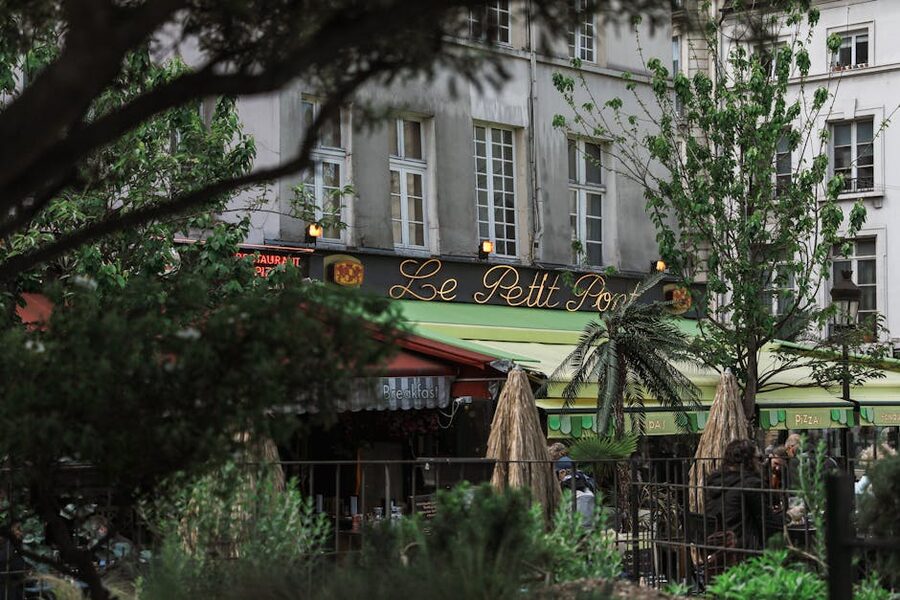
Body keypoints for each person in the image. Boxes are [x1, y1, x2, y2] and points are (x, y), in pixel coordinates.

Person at [704, 440, 783, 553]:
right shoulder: (750, 483)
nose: (761, 463)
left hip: (719, 549)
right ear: (749, 460)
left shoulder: (716, 482)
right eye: (759, 458)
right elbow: (768, 523)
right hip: (746, 550)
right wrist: (789, 517)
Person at [555, 456, 596, 528]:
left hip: (575, 524)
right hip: (592, 521)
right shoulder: (585, 479)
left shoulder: (564, 484)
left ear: (562, 472)